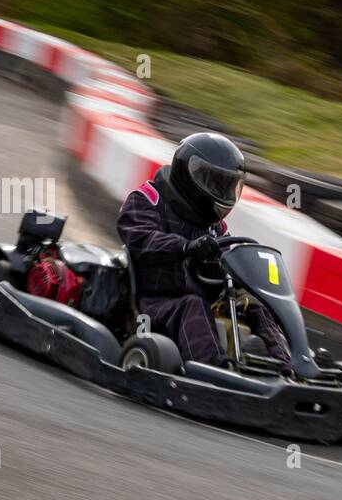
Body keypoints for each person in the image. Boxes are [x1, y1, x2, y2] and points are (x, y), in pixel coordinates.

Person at [116, 132, 289, 366]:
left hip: (204, 303)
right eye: (216, 183)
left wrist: (241, 271)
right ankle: (215, 369)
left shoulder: (215, 226)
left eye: (228, 185)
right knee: (192, 305)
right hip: (155, 303)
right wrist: (186, 247)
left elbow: (227, 260)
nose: (223, 192)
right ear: (191, 174)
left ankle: (287, 366)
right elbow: (141, 240)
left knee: (254, 307)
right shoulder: (147, 200)